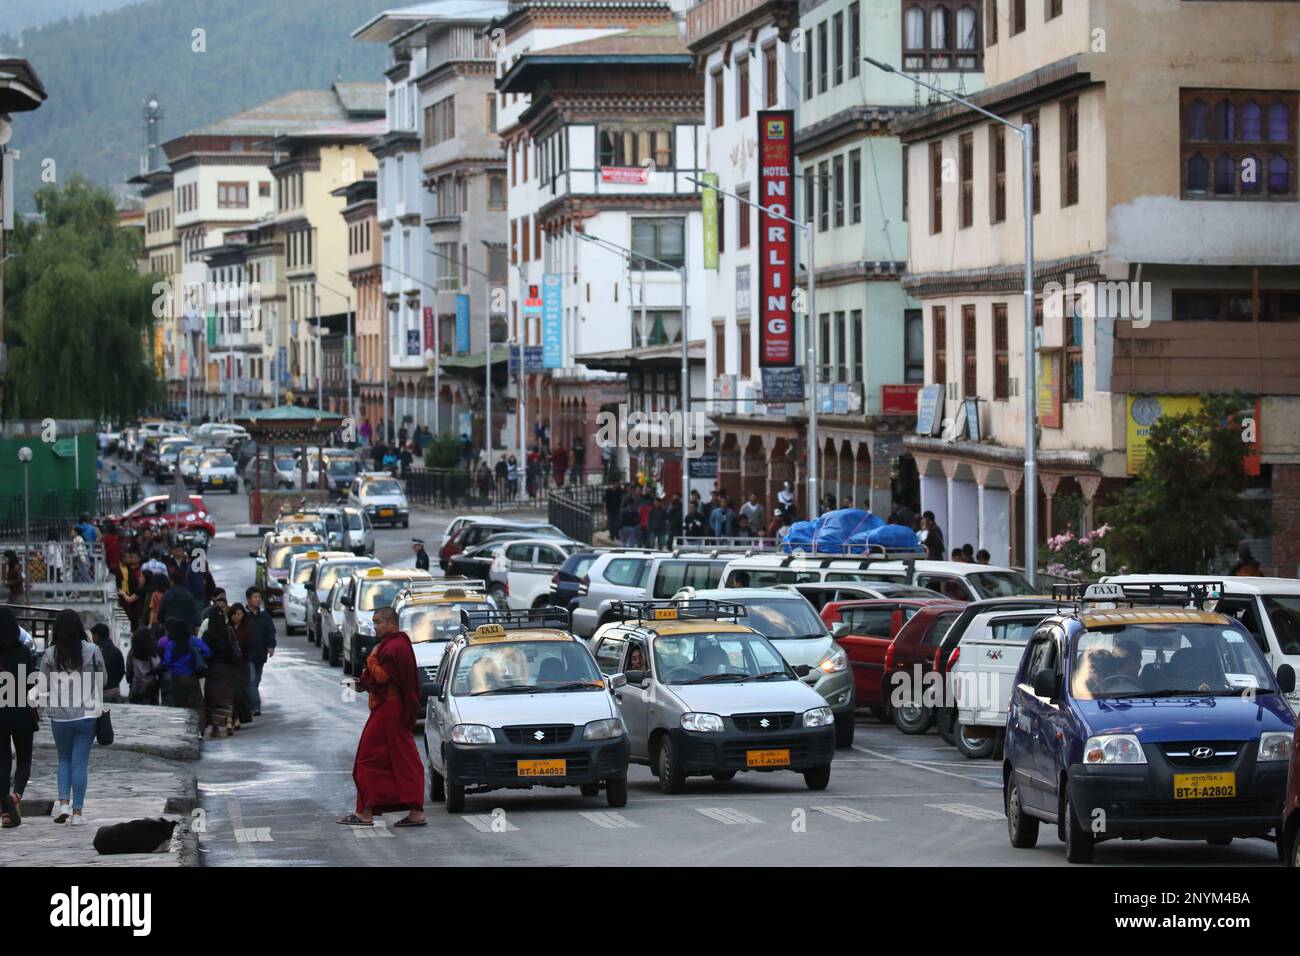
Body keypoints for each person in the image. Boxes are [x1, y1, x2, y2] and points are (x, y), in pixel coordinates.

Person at [338, 607, 425, 828]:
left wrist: (372, 659)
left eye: (378, 622)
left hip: (389, 710)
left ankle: (366, 813)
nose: (374, 626)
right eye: (374, 622)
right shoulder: (396, 644)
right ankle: (414, 812)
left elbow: (383, 677)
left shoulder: (393, 647)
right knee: (401, 758)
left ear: (391, 623)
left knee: (367, 759)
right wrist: (363, 684)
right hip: (391, 708)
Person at [38, 609, 106, 826]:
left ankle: (64, 804)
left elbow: (42, 685)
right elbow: (103, 680)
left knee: (63, 760)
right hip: (86, 715)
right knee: (80, 763)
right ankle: (77, 814)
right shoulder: (93, 651)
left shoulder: (50, 654)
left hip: (59, 717)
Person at [0, 607, 37, 829]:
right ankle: (16, 795)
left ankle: (5, 813)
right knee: (24, 759)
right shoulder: (23, 651)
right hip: (22, 710)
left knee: (2, 761)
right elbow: (31, 682)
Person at [202, 608, 243, 738]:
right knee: (227, 695)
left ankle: (215, 727)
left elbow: (204, 652)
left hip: (213, 669)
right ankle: (229, 721)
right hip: (228, 668)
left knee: (213, 698)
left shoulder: (208, 634)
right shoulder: (228, 631)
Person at [160, 617, 211, 721]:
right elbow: (207, 651)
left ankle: (184, 729)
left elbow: (166, 662)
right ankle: (199, 729)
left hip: (176, 679)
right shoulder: (192, 640)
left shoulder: (171, 644)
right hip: (192, 677)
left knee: (180, 706)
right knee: (197, 705)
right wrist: (198, 655)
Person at [246, 587, 276, 717]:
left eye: (259, 597)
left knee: (256, 680)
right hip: (247, 654)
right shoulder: (243, 615)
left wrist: (271, 646)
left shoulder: (264, 615)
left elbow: (271, 631)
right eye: (255, 597)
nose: (257, 600)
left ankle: (250, 700)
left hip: (260, 653)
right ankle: (255, 705)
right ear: (248, 599)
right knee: (252, 679)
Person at [225, 603, 254, 725]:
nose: (238, 617)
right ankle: (235, 717)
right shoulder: (227, 628)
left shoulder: (247, 627)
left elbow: (250, 642)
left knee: (242, 690)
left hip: (243, 663)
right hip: (231, 664)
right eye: (236, 614)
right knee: (233, 691)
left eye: (241, 614)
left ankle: (243, 716)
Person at [89, 623, 126, 704]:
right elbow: (122, 671)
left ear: (97, 636)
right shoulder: (117, 651)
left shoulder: (95, 652)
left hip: (99, 693)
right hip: (114, 691)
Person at [126, 627, 161, 705]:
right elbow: (158, 667)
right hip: (151, 689)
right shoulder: (154, 652)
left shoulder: (132, 653)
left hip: (136, 688)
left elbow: (129, 670)